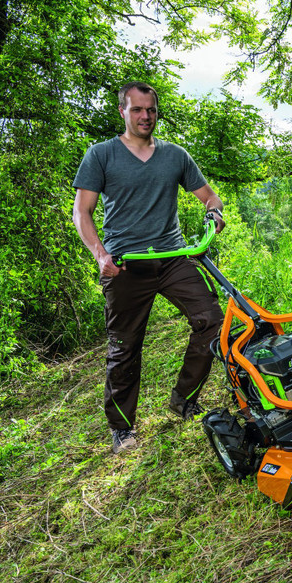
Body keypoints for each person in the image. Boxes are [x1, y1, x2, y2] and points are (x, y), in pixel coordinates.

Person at [71, 81, 226, 453]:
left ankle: (183, 399)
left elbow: (209, 197)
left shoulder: (175, 156)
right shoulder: (101, 155)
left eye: (151, 109)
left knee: (213, 324)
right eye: (137, 109)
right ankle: (122, 429)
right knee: (124, 348)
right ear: (122, 111)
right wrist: (100, 254)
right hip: (126, 265)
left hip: (173, 258)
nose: (145, 116)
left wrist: (214, 214)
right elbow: (82, 212)